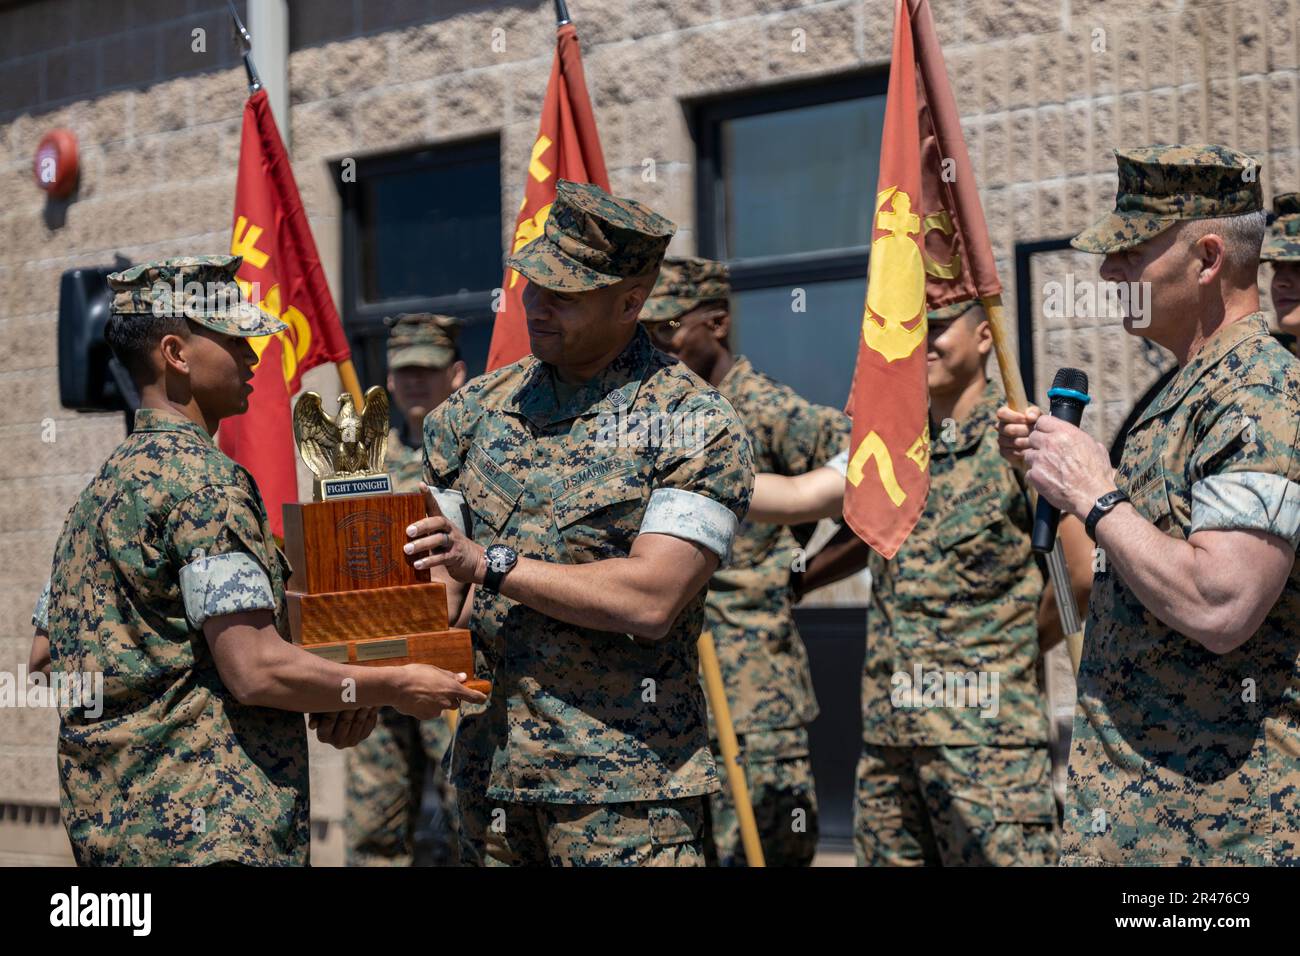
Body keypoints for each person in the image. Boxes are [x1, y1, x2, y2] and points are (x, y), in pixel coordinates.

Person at [40, 256, 483, 866]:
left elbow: (46, 654)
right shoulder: (204, 485)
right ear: (176, 353)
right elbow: (253, 669)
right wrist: (395, 681)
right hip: (209, 830)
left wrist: (341, 690)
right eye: (234, 341)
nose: (253, 358)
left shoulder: (99, 492)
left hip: (115, 831)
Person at [405, 180, 755, 866]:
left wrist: (493, 566)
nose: (537, 306)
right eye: (534, 286)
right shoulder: (471, 414)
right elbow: (434, 597)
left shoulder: (693, 424)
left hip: (626, 798)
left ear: (631, 302)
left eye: (563, 294)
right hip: (494, 790)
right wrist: (363, 680)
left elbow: (652, 599)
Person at [997, 145, 1300, 865]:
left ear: (1205, 259)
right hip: (1145, 826)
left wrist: (1095, 494)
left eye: (1131, 252)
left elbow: (1219, 604)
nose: (1109, 273)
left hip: (1219, 838)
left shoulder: (1259, 396)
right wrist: (1059, 472)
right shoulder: (1186, 391)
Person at [750, 299, 1058, 865]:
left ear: (985, 336)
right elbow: (797, 498)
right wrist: (690, 474)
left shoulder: (1023, 440)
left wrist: (1008, 650)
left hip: (987, 745)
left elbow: (1080, 579)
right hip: (891, 744)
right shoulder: (893, 446)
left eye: (938, 328)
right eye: (913, 330)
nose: (923, 344)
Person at [639, 256, 859, 866]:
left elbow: (872, 481)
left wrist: (801, 575)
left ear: (717, 321)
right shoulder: (657, 416)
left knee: (764, 851)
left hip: (754, 690)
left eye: (669, 328)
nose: (658, 343)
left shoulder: (765, 408)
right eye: (648, 330)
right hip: (672, 687)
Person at [346, 313, 468, 867]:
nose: (416, 381)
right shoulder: (363, 463)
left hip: (452, 661)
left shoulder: (476, 460)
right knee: (375, 824)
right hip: (378, 661)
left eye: (429, 369)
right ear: (390, 382)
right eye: (405, 372)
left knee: (467, 817)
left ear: (457, 374)